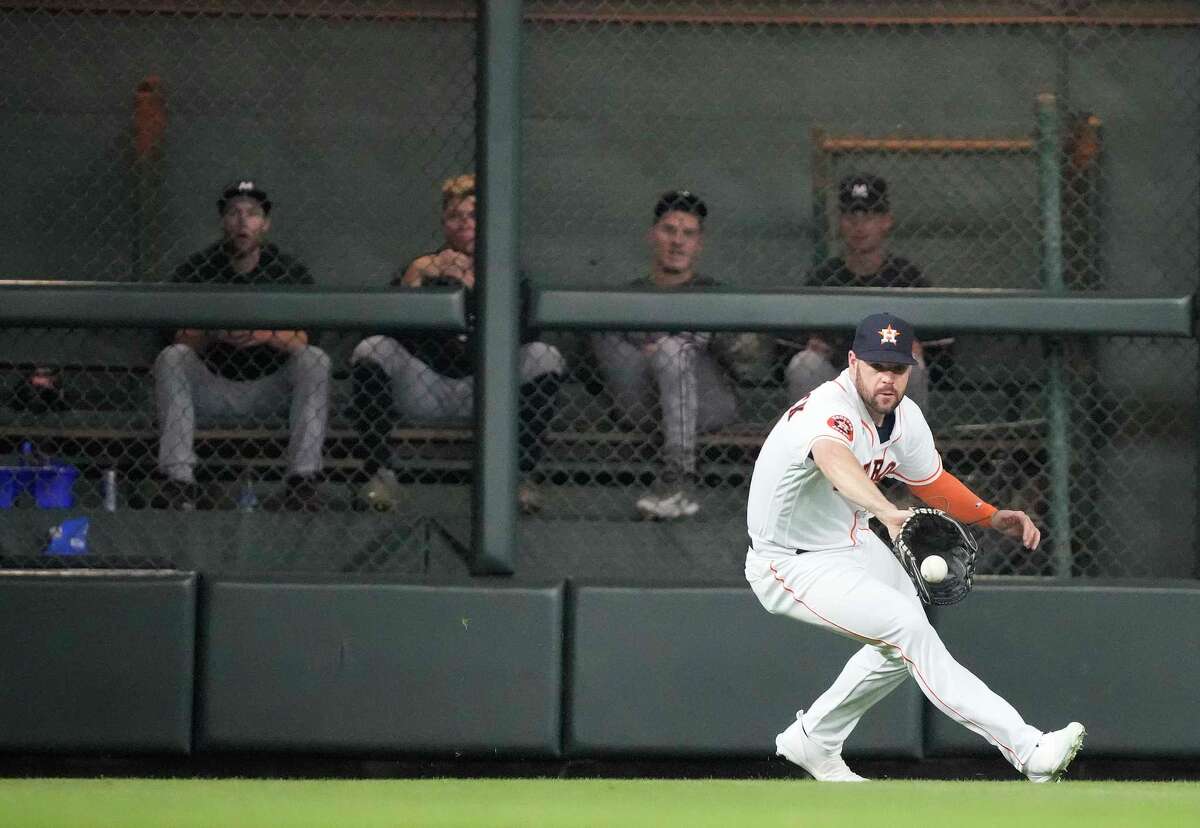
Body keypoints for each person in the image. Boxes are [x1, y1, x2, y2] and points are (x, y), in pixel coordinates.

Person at [744, 312, 1085, 782]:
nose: (887, 378)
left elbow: (931, 481)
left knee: (903, 640)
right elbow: (834, 458)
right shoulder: (829, 409)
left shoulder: (904, 417)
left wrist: (991, 516)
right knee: (907, 630)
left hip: (852, 540)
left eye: (898, 368)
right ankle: (1029, 750)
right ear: (852, 362)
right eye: (876, 366)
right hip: (790, 562)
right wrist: (885, 511)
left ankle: (815, 739)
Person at [350, 173, 565, 513]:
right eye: (455, 215)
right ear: (444, 223)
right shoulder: (423, 268)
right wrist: (415, 278)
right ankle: (380, 474)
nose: (465, 222)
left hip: (489, 392)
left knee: (545, 355)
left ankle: (519, 476)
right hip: (426, 388)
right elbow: (380, 332)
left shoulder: (510, 273)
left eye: (474, 214)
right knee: (371, 349)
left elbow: (524, 338)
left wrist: (474, 288)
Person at [153, 180, 330, 511]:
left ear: (265, 223)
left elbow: (306, 339)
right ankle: (178, 481)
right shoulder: (198, 269)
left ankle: (303, 480)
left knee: (315, 359)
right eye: (234, 212)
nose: (243, 221)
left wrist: (265, 334)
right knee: (172, 358)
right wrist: (213, 330)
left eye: (252, 213)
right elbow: (176, 337)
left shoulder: (287, 271)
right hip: (213, 390)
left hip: (272, 392)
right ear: (223, 221)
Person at [590, 190, 738, 521]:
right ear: (652, 235)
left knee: (672, 351)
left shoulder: (715, 293)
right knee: (604, 323)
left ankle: (678, 477)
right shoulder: (629, 296)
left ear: (699, 244)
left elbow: (741, 363)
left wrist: (670, 347)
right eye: (669, 230)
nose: (677, 242)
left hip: (707, 404)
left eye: (688, 234)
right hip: (642, 402)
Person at [786, 174, 932, 408]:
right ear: (840, 222)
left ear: (886, 221)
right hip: (836, 378)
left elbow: (940, 351)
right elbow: (790, 345)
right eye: (851, 216)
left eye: (869, 216)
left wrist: (916, 348)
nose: (859, 225)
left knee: (912, 363)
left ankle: (904, 433)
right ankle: (816, 433)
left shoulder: (907, 276)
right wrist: (812, 345)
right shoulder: (824, 277)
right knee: (806, 364)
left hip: (887, 376)